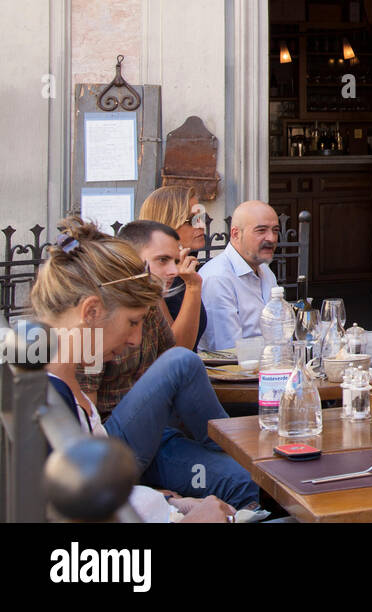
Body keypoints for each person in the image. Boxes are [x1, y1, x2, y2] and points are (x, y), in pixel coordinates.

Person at [33, 217, 261, 519]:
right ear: (90, 311)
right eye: (132, 323)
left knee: (248, 479)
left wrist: (168, 502)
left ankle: (243, 454)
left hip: (153, 457)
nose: (136, 339)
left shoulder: (63, 386)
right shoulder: (50, 398)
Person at [76, 220, 187, 418]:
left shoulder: (150, 304)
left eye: (176, 261)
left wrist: (194, 288)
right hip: (113, 427)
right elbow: (88, 416)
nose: (174, 271)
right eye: (162, 260)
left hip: (157, 418)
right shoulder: (97, 317)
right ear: (131, 260)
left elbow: (173, 354)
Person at [197, 200, 280, 351]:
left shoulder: (266, 272)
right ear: (235, 234)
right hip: (233, 371)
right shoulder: (218, 278)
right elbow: (229, 350)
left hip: (268, 367)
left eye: (275, 230)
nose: (272, 238)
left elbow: (278, 333)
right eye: (261, 230)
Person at [138, 185, 207, 349]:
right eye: (191, 220)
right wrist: (192, 286)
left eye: (201, 218)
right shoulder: (153, 274)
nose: (201, 225)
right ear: (167, 224)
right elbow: (174, 349)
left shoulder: (186, 268)